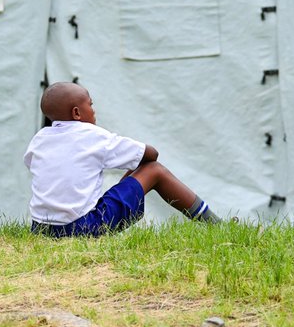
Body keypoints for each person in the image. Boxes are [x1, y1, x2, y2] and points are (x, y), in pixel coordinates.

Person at [24, 82, 222, 237]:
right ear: (77, 113)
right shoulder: (93, 135)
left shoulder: (40, 138)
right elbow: (151, 154)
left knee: (136, 165)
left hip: (41, 229)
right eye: (90, 105)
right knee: (154, 170)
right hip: (82, 228)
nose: (94, 111)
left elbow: (33, 164)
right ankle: (216, 225)